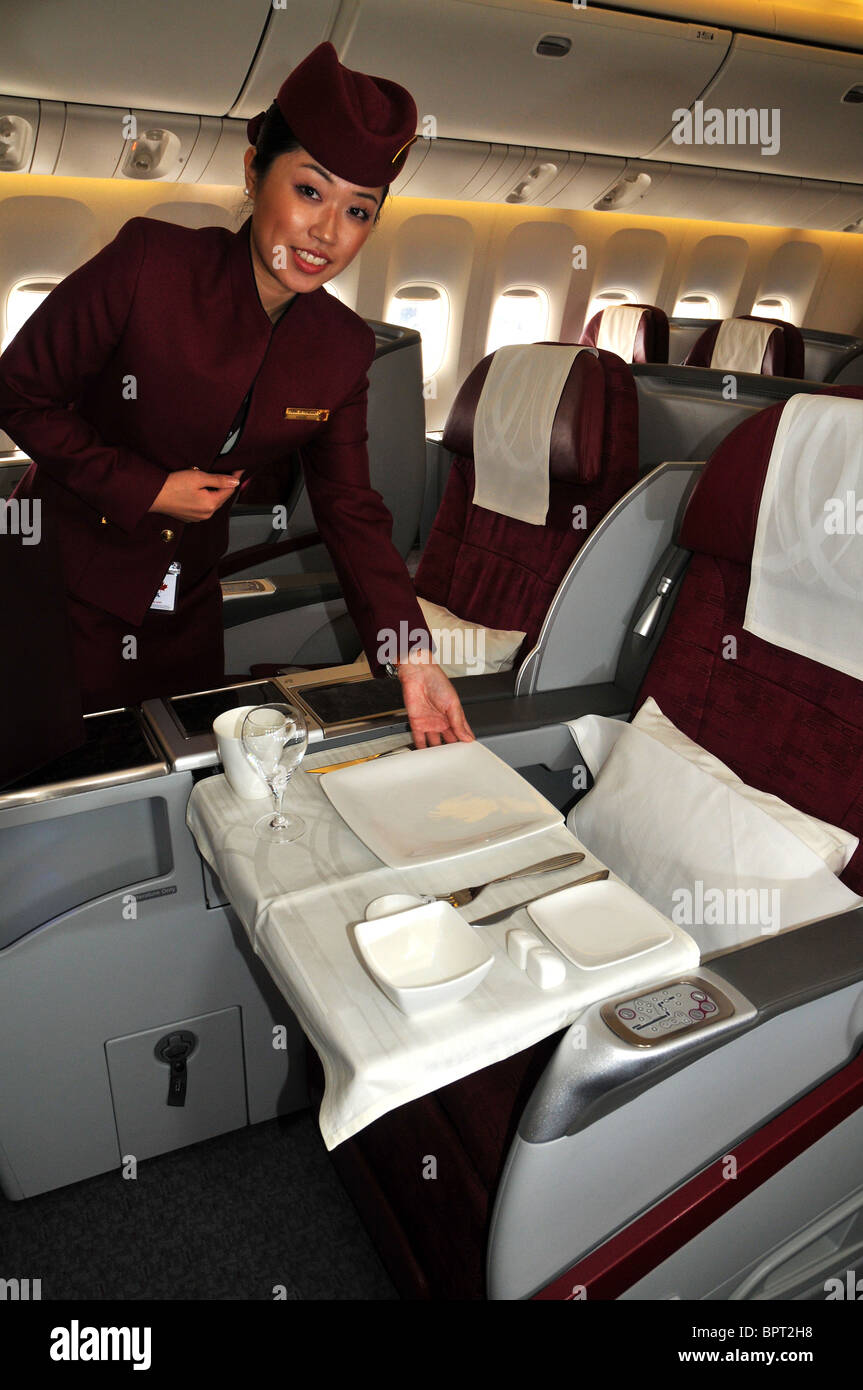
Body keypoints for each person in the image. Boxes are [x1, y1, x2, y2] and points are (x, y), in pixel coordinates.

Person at [0, 42, 473, 749]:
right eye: (309, 191)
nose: (326, 233)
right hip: (57, 582)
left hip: (182, 604)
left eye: (359, 211)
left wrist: (413, 655)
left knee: (175, 777)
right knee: (38, 780)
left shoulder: (342, 347)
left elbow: (351, 510)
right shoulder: (149, 265)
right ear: (253, 173)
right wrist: (146, 487)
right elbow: (18, 394)